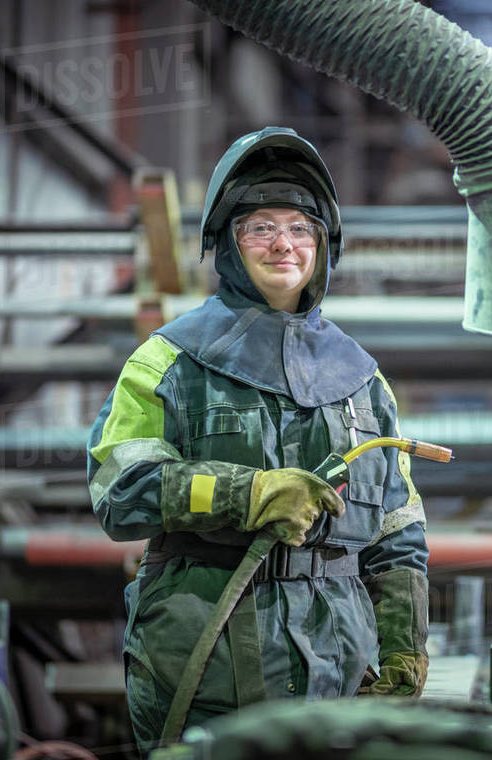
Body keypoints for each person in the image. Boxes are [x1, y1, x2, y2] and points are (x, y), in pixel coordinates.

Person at [86, 126, 429, 754]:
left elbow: (398, 532)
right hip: (206, 663)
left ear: (323, 246)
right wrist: (248, 493)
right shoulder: (170, 361)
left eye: (301, 228)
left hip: (341, 668)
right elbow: (119, 490)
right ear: (227, 244)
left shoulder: (361, 377)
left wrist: (404, 645)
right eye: (260, 227)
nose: (283, 244)